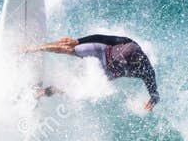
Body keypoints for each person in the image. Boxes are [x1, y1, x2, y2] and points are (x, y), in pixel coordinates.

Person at [25, 34, 160, 109]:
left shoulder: (145, 69)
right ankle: (32, 48)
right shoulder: (128, 42)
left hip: (108, 73)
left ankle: (41, 93)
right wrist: (77, 41)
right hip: (100, 51)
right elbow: (100, 37)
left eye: (121, 61)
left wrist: (152, 101)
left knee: (71, 87)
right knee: (67, 48)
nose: (118, 60)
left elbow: (154, 92)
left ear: (133, 63)